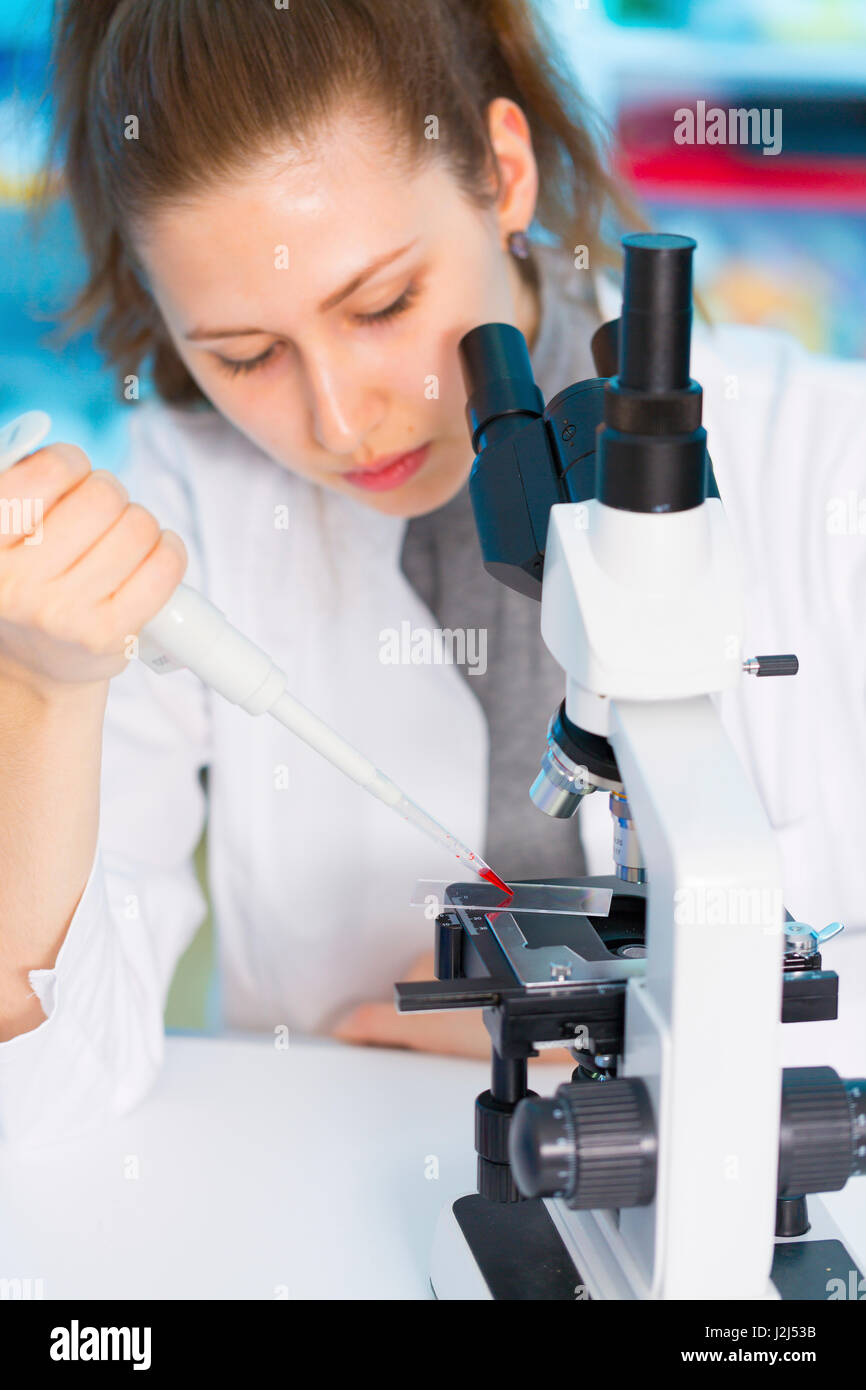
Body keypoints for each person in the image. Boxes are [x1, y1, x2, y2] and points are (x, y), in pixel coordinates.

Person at [0, 0, 863, 1148]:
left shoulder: (821, 458)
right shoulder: (183, 508)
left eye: (381, 303)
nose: (341, 419)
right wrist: (42, 692)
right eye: (243, 355)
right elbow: (43, 1096)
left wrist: (615, 1034)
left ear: (503, 174)